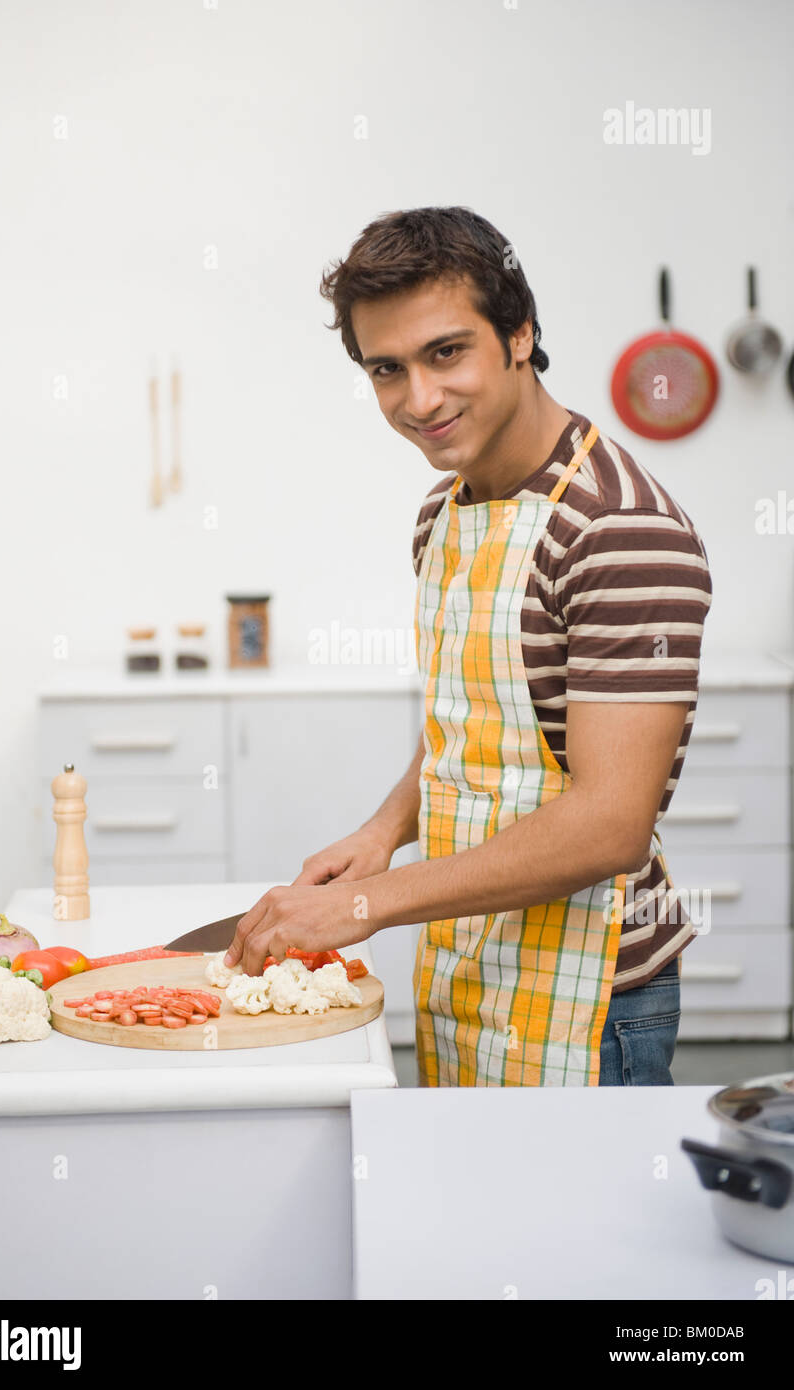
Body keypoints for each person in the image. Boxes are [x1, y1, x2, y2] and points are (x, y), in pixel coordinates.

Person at [223, 206, 712, 1087]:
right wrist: (383, 833)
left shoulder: (619, 528)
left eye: (447, 352)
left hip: (593, 993)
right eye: (387, 369)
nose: (420, 400)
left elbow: (610, 825)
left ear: (520, 334)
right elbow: (476, 717)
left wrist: (368, 906)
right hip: (468, 958)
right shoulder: (444, 512)